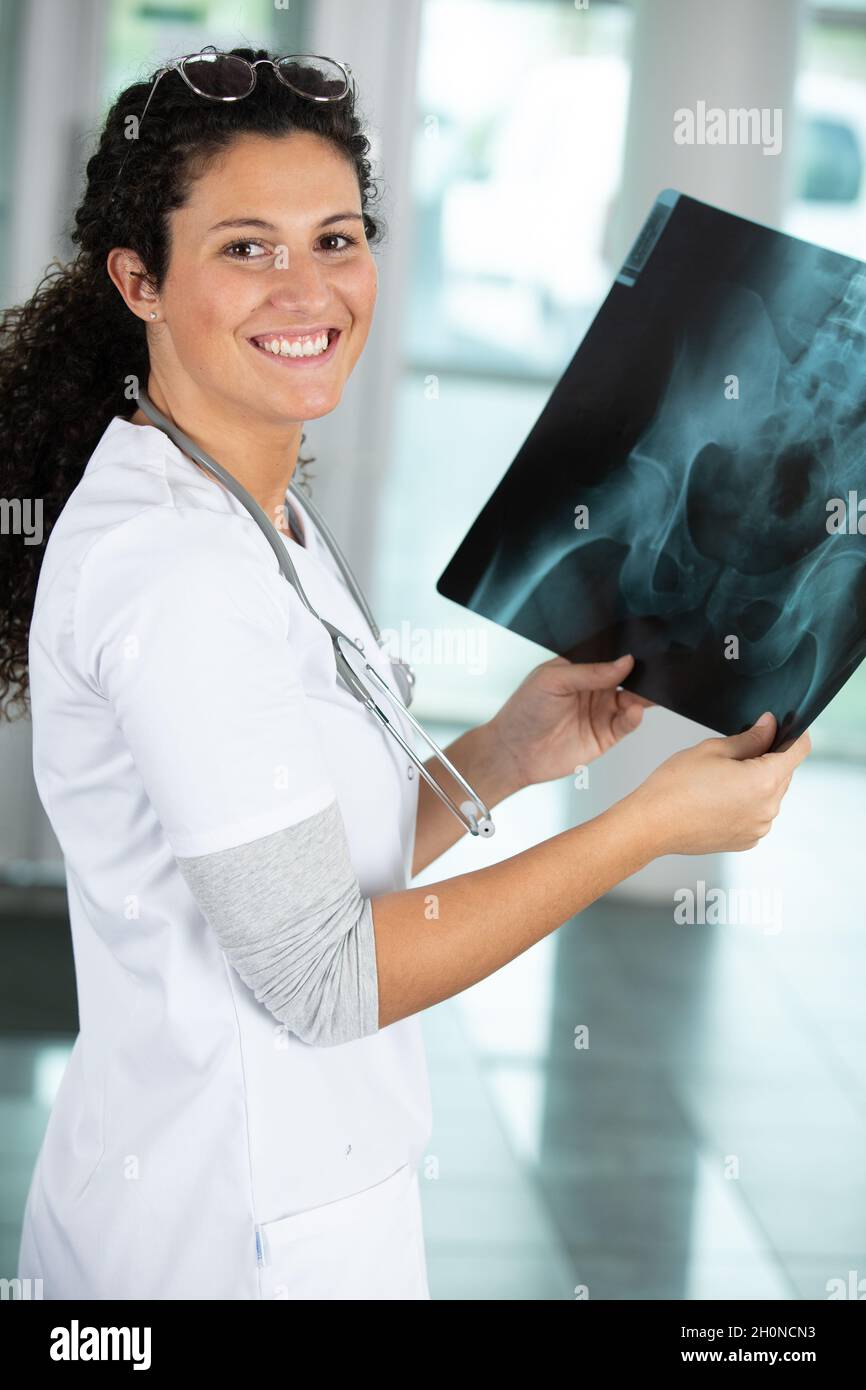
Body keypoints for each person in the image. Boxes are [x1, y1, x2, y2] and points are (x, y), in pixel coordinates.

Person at [0, 46, 811, 1301]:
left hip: (273, 1189)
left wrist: (504, 754)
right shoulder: (175, 572)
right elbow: (323, 977)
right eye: (246, 247)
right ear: (138, 281)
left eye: (335, 237)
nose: (308, 287)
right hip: (230, 1236)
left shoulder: (248, 502)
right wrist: (648, 827)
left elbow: (294, 866)